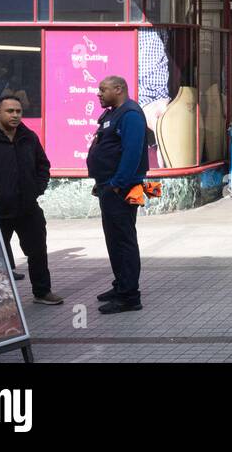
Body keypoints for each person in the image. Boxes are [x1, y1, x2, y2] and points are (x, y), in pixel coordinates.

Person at [0, 95, 63, 304]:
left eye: (18, 111)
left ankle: (42, 292)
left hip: (28, 208)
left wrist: (37, 188)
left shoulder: (29, 137)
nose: (15, 115)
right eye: (10, 111)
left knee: (38, 251)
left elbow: (43, 165)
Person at [88, 75, 150, 314]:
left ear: (119, 89)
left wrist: (116, 183)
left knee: (124, 241)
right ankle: (121, 284)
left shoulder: (130, 114)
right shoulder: (113, 113)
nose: (99, 93)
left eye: (103, 89)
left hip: (123, 188)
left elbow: (131, 153)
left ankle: (129, 296)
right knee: (113, 239)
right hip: (108, 186)